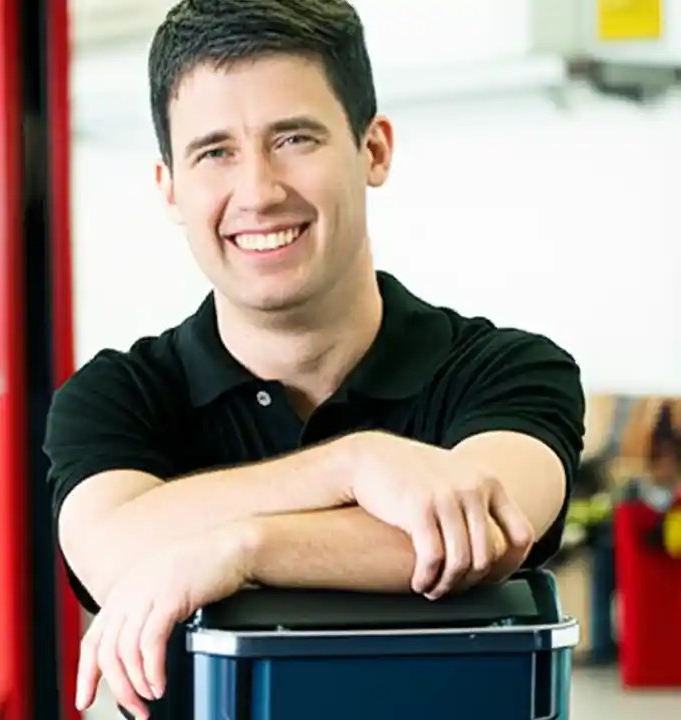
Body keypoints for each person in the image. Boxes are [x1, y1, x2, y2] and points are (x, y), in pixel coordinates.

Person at [42, 1, 586, 717]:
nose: (260, 192)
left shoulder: (507, 370)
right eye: (215, 152)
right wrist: (351, 465)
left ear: (374, 150)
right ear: (169, 187)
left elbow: (480, 530)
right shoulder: (117, 396)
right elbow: (112, 549)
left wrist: (239, 551)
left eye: (294, 138)